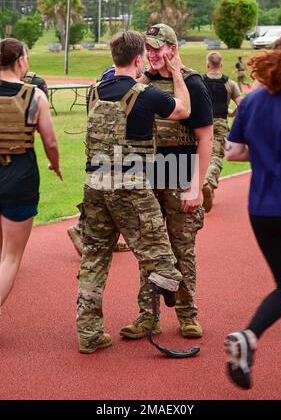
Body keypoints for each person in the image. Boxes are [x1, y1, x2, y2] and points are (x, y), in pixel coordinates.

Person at [76, 29, 192, 354]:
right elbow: (183, 110)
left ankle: (89, 334)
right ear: (139, 59)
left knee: (94, 258)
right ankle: (160, 305)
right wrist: (178, 71)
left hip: (95, 183)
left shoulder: (94, 92)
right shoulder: (146, 93)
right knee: (163, 257)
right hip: (131, 186)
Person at [120, 24, 213, 340]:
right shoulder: (143, 83)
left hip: (179, 175)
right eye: (148, 48)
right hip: (148, 178)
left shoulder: (192, 84)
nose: (153, 54)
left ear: (173, 49)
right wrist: (144, 76)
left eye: (158, 48)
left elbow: (206, 137)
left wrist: (195, 185)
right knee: (149, 250)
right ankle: (148, 317)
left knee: (182, 249)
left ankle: (187, 316)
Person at [224, 35, 281, 389]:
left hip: (262, 209)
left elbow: (233, 152)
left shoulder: (251, 102)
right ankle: (249, 334)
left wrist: (267, 155)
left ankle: (249, 337)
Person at [0, 38, 62, 308]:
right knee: (10, 257)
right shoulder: (34, 96)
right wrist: (55, 164)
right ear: (21, 61)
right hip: (19, 176)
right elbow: (50, 141)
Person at [67, 64, 130, 254]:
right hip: (110, 143)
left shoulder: (109, 74)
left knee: (110, 191)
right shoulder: (113, 75)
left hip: (106, 143)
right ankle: (80, 228)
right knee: (110, 192)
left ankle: (108, 238)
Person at [202, 52, 242, 212]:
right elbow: (242, 103)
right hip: (220, 123)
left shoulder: (198, 82)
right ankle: (209, 182)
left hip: (200, 123)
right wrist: (231, 113)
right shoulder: (230, 83)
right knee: (216, 156)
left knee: (198, 155)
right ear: (221, 64)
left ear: (207, 64)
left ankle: (195, 189)